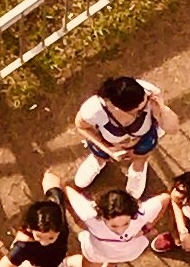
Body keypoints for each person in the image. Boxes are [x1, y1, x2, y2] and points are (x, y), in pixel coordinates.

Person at [56, 167, 170, 267]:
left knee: (114, 261)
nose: (121, 230)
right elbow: (66, 190)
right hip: (97, 251)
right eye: (114, 225)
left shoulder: (140, 214)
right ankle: (67, 266)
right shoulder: (91, 216)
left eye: (125, 224)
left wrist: (148, 226)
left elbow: (165, 199)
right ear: (102, 216)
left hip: (128, 249)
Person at [71, 70, 166, 198]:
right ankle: (98, 160)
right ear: (118, 108)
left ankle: (138, 168)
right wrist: (108, 150)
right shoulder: (94, 109)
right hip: (109, 141)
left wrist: (160, 110)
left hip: (143, 139)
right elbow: (81, 126)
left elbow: (164, 120)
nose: (145, 108)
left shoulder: (148, 94)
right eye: (138, 110)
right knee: (100, 152)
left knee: (142, 154)